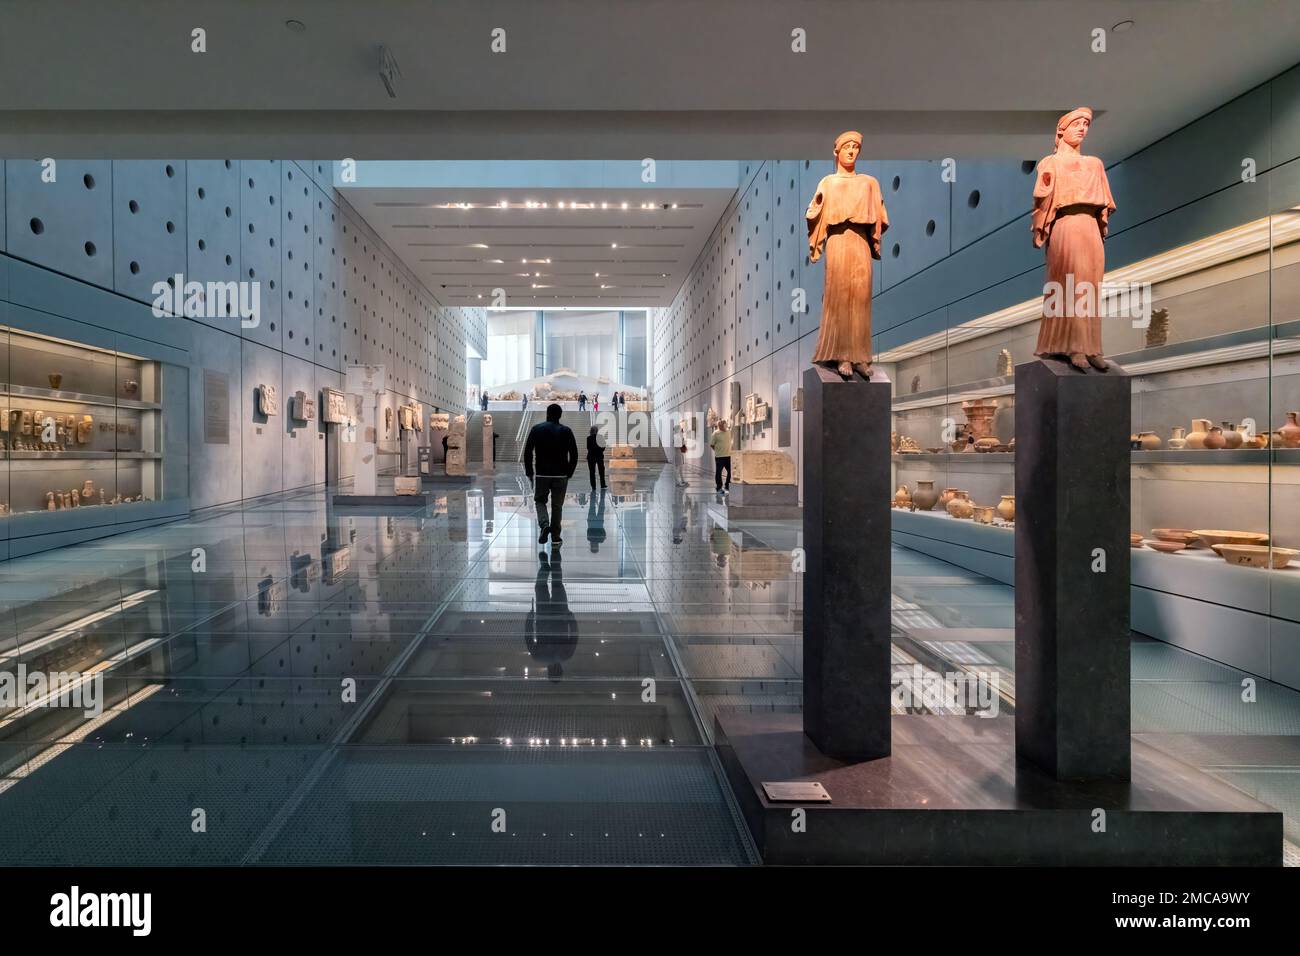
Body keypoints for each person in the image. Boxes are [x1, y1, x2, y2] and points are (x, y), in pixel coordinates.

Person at [1031, 106, 1116, 372]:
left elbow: (1105, 205)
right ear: (1062, 130)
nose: (1082, 128)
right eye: (1077, 123)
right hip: (1066, 226)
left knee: (1091, 283)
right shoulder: (1051, 163)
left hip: (1090, 227)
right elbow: (1041, 201)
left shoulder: (1095, 164)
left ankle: (1092, 347)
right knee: (1071, 282)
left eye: (1086, 124)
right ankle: (1072, 346)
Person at [523, 403, 578, 548]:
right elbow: (574, 454)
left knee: (540, 501)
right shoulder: (566, 431)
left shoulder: (537, 429)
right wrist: (569, 472)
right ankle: (555, 537)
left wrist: (529, 471)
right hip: (561, 475)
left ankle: (544, 524)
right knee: (557, 506)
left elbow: (528, 451)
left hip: (542, 474)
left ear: (547, 414)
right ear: (560, 415)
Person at [710, 420, 732, 493]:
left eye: (725, 425)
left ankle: (727, 485)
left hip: (728, 455)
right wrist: (717, 450)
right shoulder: (715, 433)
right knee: (718, 472)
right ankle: (719, 488)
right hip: (719, 456)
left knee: (730, 471)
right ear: (719, 426)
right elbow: (712, 445)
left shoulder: (728, 431)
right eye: (723, 425)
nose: (724, 426)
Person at [587, 424, 607, 490]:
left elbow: (588, 448)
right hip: (599, 456)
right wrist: (599, 450)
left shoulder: (588, 438)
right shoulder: (600, 437)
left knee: (592, 472)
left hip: (591, 457)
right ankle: (602, 485)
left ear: (591, 431)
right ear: (597, 431)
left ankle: (593, 486)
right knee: (601, 471)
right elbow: (603, 447)